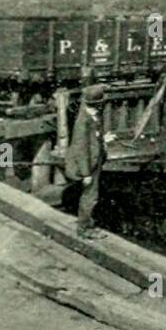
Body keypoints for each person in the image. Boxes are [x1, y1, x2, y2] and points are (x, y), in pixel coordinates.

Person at [65, 84, 109, 239]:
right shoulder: (83, 121)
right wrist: (85, 173)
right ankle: (85, 228)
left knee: (92, 195)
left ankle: (87, 224)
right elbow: (81, 149)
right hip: (88, 165)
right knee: (90, 196)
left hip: (94, 161)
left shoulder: (91, 116)